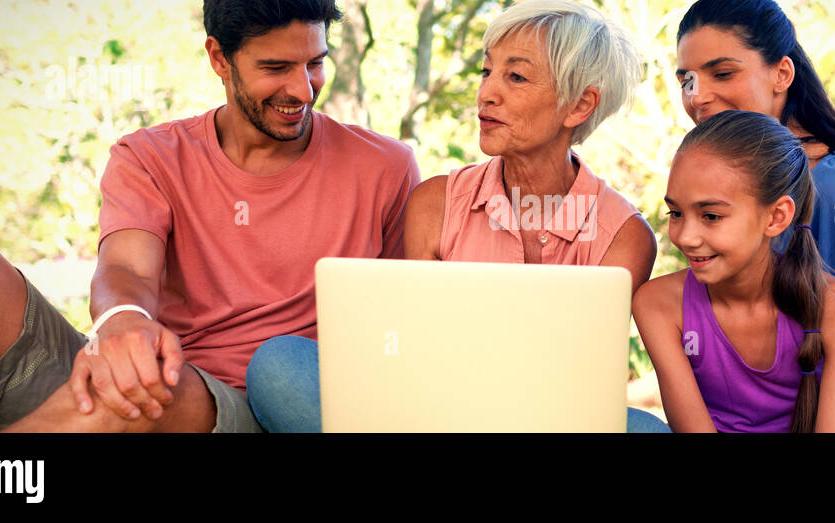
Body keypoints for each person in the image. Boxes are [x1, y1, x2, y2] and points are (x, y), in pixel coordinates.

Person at [0, 0, 419, 432]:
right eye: (275, 68)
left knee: (138, 390)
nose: (302, 90)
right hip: (151, 372)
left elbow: (402, 320)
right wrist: (124, 319)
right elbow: (127, 269)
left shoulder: (385, 167)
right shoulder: (151, 155)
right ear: (219, 57)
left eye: (315, 63)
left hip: (256, 408)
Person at [246, 0, 666, 432]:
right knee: (279, 364)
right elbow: (410, 352)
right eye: (487, 72)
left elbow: (576, 387)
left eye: (516, 76)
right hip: (430, 410)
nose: (486, 93)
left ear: (579, 106)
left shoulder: (623, 237)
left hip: (543, 419)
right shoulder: (435, 204)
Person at [673, 0, 835, 432]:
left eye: (722, 73)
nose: (696, 95)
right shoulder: (735, 187)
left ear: (782, 74)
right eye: (686, 78)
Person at [633, 110, 835, 432]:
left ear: (775, 217)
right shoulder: (658, 304)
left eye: (711, 216)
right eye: (675, 212)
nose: (685, 237)